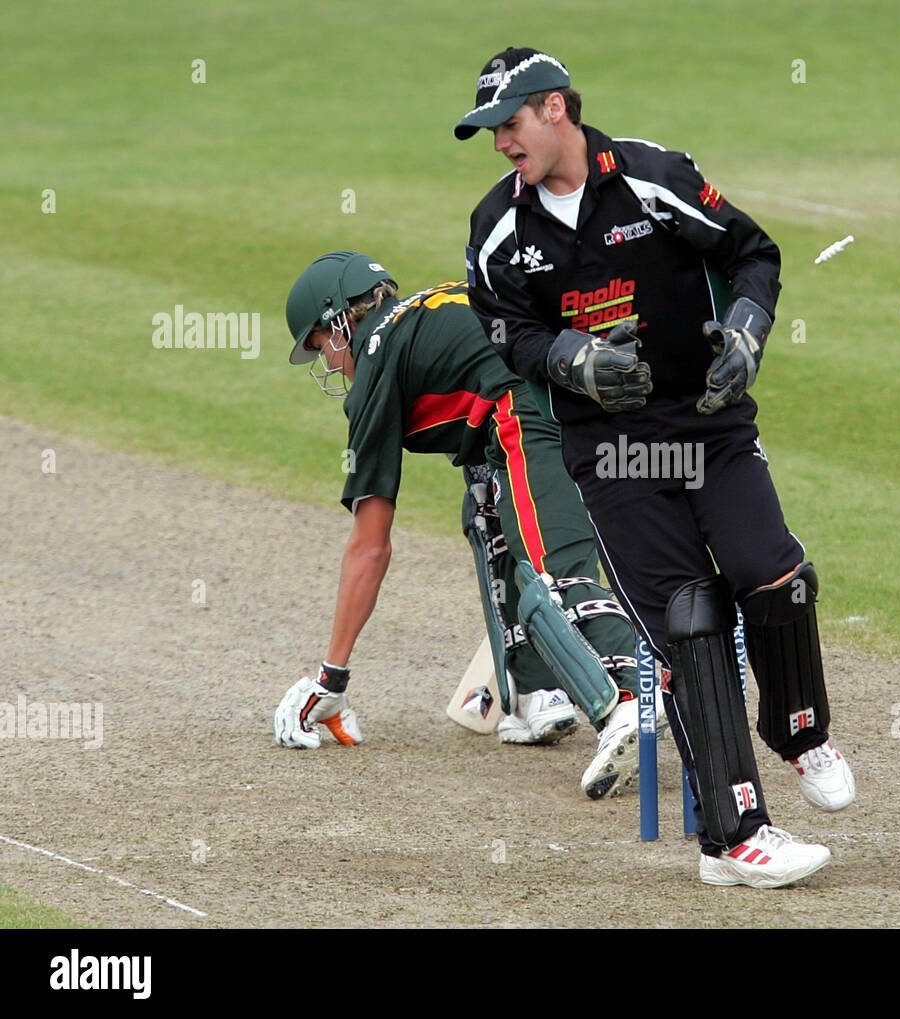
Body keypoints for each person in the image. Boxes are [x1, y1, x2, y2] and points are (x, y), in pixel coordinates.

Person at [457, 48, 855, 889]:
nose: (500, 144)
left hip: (708, 423)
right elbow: (502, 331)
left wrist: (746, 330)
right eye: (491, 131)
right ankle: (734, 838)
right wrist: (572, 359)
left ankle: (797, 725)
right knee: (690, 620)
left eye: (510, 123)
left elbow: (754, 252)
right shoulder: (499, 230)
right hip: (612, 454)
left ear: (556, 107)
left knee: (775, 577)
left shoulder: (650, 177)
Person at [273, 250, 656, 800]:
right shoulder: (426, 314)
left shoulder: (377, 358)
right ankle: (536, 691)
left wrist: (331, 676)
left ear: (340, 322)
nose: (329, 364)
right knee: (485, 509)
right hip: (593, 386)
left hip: (536, 409)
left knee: (556, 568)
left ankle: (627, 702)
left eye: (320, 347)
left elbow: (370, 546)